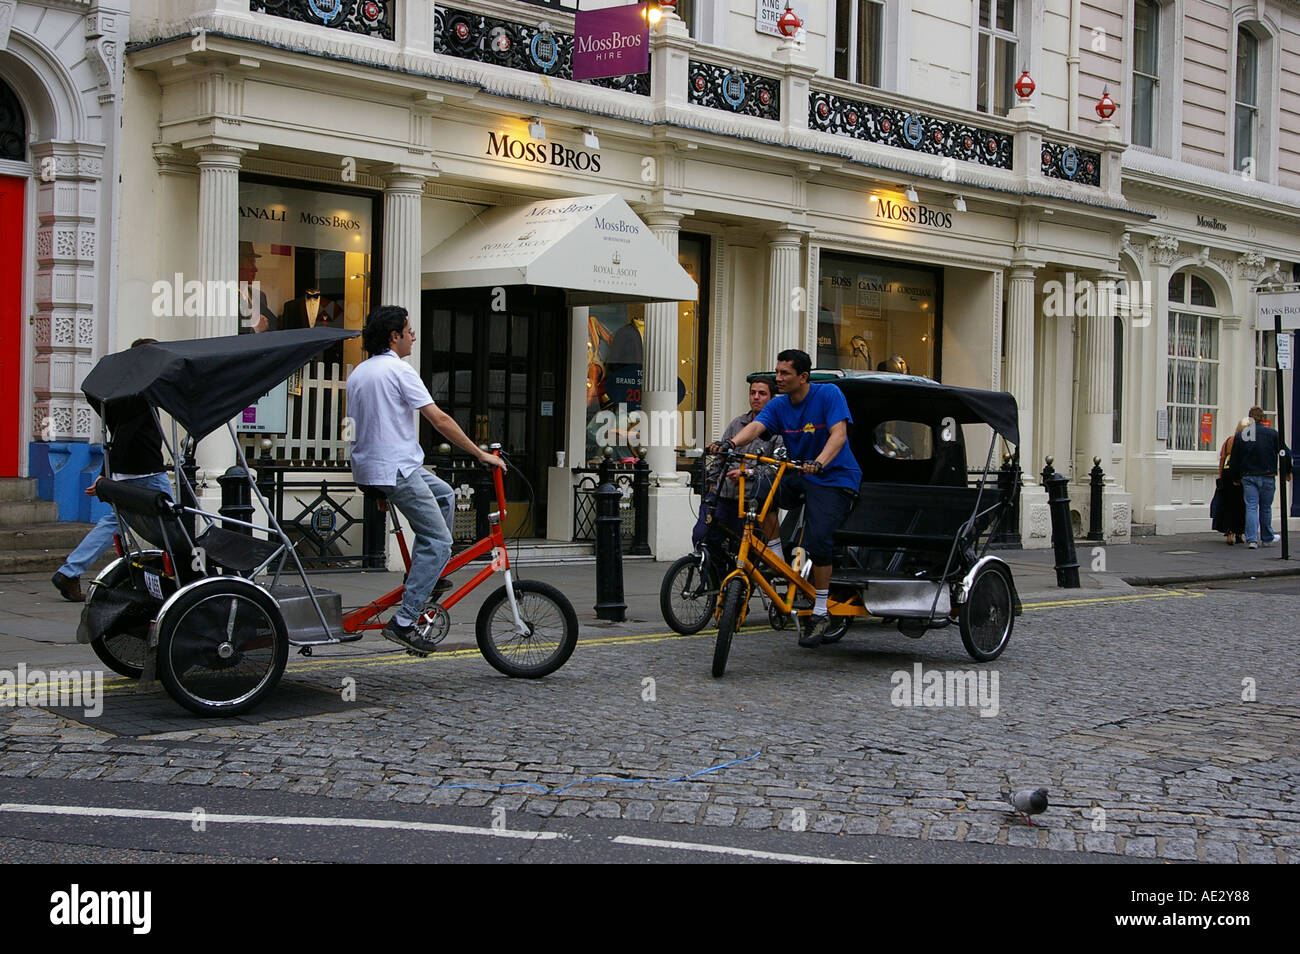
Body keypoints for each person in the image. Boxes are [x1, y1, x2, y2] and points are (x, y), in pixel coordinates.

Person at [346, 305, 506, 654]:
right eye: (409, 331)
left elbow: (360, 427)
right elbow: (440, 420)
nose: (414, 337)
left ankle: (424, 578)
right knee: (439, 542)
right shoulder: (399, 370)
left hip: (378, 468)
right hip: (398, 469)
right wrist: (480, 454)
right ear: (395, 336)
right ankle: (404, 622)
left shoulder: (359, 373)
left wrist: (374, 483)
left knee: (446, 494)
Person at [712, 349, 862, 648]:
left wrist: (819, 462)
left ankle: (820, 609)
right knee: (759, 493)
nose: (777, 378)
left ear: (803, 377)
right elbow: (756, 426)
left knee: (819, 541)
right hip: (799, 474)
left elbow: (838, 435)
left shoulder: (828, 395)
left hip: (834, 477)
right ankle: (779, 561)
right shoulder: (779, 405)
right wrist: (729, 442)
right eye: (777, 372)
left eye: (784, 374)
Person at [52, 339, 173, 602]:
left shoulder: (121, 389)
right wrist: (106, 475)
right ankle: (183, 575)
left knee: (115, 522)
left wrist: (109, 474)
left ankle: (70, 571)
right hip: (147, 471)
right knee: (173, 521)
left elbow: (115, 430)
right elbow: (124, 436)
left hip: (129, 469)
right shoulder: (141, 391)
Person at [1230, 406, 1291, 549]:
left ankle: (1252, 539)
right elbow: (1285, 453)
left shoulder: (1242, 435)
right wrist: (1287, 471)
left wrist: (1235, 477)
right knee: (1266, 508)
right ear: (1263, 418)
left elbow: (1234, 459)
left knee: (1251, 507)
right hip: (1268, 475)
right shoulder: (1272, 434)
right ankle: (1267, 538)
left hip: (1249, 476)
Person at [1211, 418, 1248, 545]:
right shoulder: (1247, 441)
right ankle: (1239, 533)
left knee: (1228, 503)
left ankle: (1229, 531)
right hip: (1241, 474)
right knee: (1241, 505)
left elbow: (1222, 458)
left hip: (1227, 474)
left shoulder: (1229, 440)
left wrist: (1221, 475)